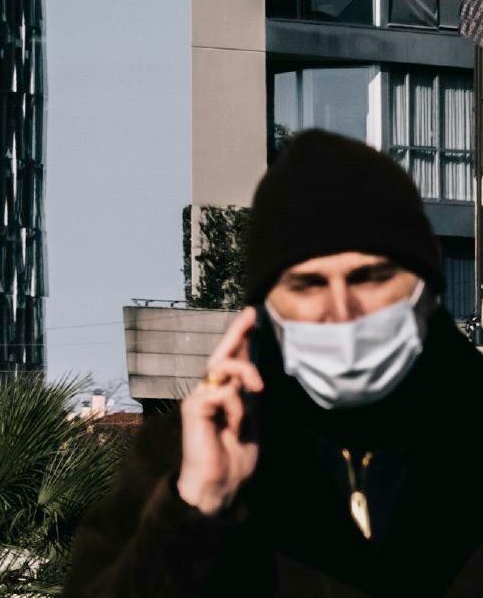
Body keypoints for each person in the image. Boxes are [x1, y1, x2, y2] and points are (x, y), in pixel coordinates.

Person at [64, 126, 483, 595]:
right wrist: (194, 509)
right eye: (307, 285)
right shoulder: (184, 452)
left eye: (370, 277)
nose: (341, 313)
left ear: (425, 289)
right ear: (266, 311)